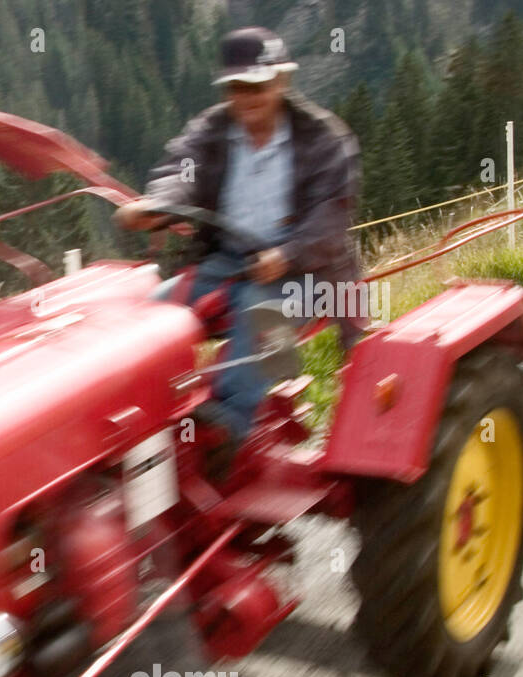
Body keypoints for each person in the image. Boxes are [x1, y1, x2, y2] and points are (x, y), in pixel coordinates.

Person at [116, 27, 362, 448]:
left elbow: (330, 222)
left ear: (281, 81)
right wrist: (154, 206)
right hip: (228, 262)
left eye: (257, 85)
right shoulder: (212, 130)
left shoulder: (324, 139)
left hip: (310, 272)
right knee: (152, 316)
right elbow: (181, 172)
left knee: (259, 308)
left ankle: (228, 426)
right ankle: (140, 424)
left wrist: (286, 254)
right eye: (236, 86)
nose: (246, 96)